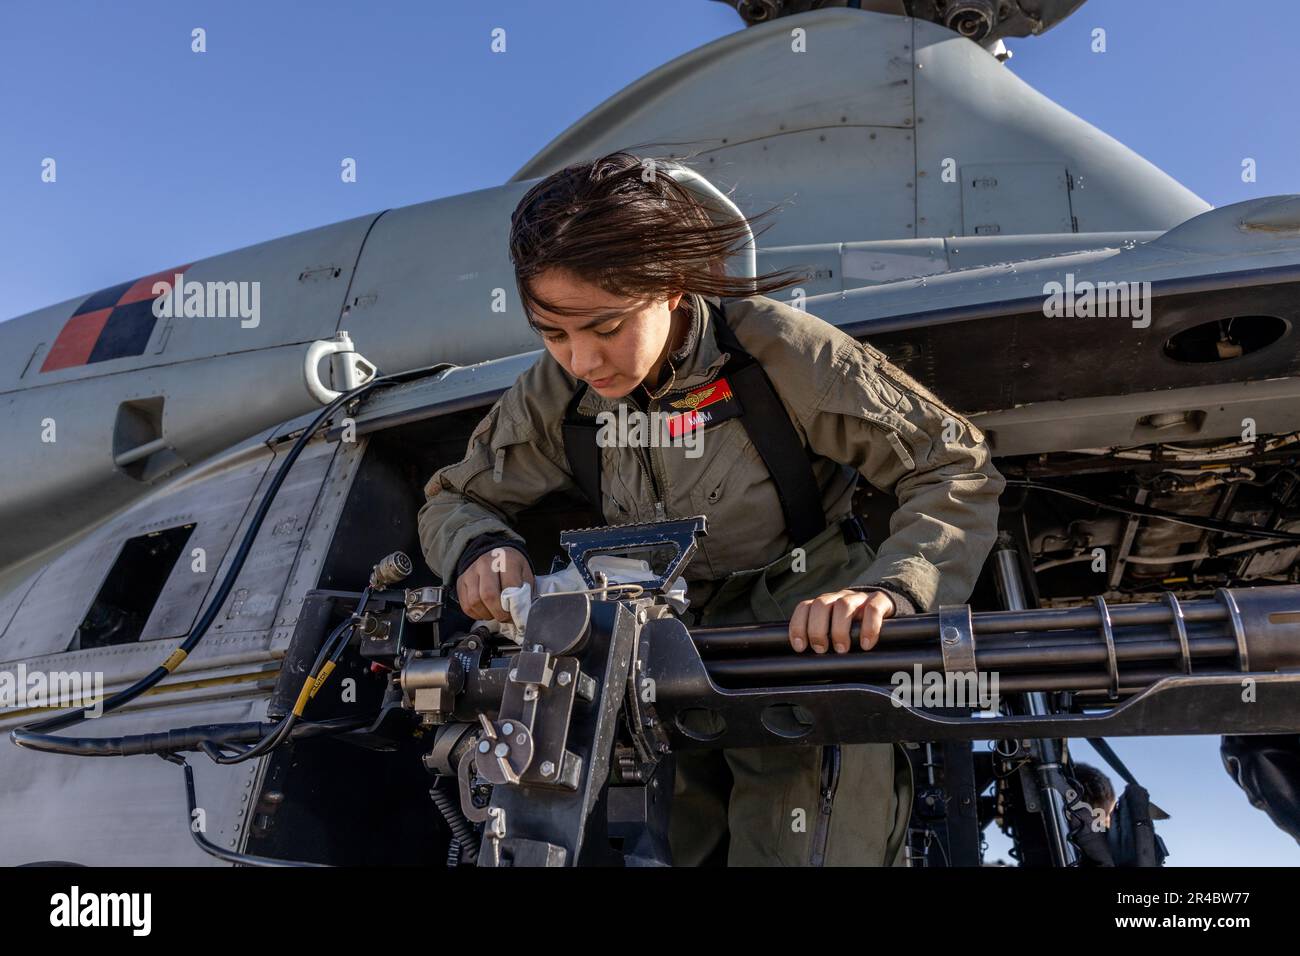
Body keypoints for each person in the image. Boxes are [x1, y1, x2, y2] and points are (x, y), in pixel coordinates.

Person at [417, 150, 1005, 866]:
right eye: (555, 334)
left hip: (805, 637)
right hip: (658, 654)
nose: (583, 360)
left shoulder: (777, 351)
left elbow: (953, 463)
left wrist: (891, 590)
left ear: (670, 286)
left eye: (605, 327)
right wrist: (480, 548)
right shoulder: (555, 396)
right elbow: (456, 496)